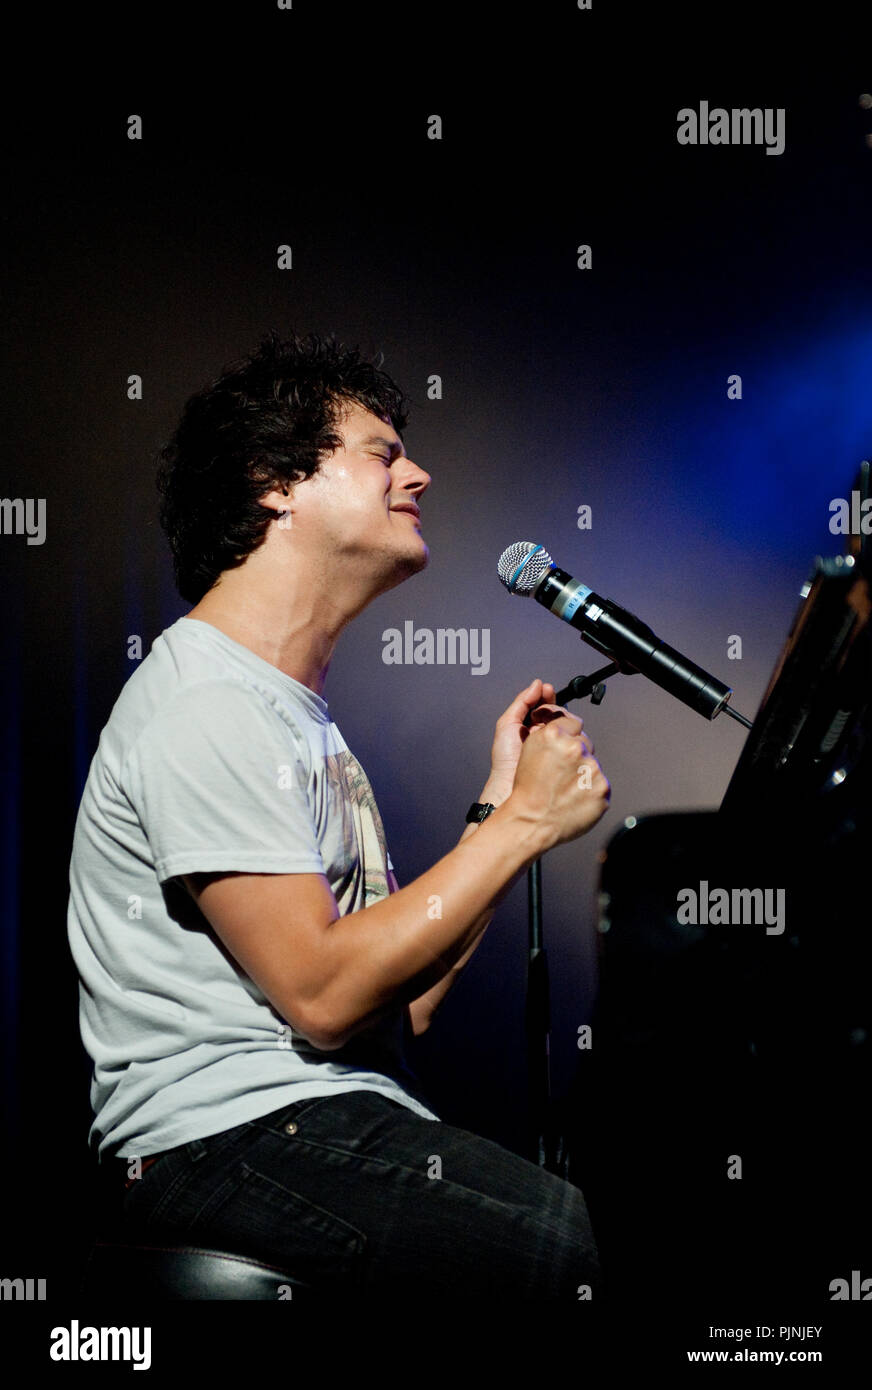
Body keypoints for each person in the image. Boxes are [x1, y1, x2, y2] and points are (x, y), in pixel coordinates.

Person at [67, 330, 611, 1302]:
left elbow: (400, 1004)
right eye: (384, 452)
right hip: (223, 1143)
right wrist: (524, 825)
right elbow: (319, 996)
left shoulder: (296, 718)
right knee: (561, 1236)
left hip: (314, 1121)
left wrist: (497, 808)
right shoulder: (205, 697)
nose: (418, 473)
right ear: (275, 482)